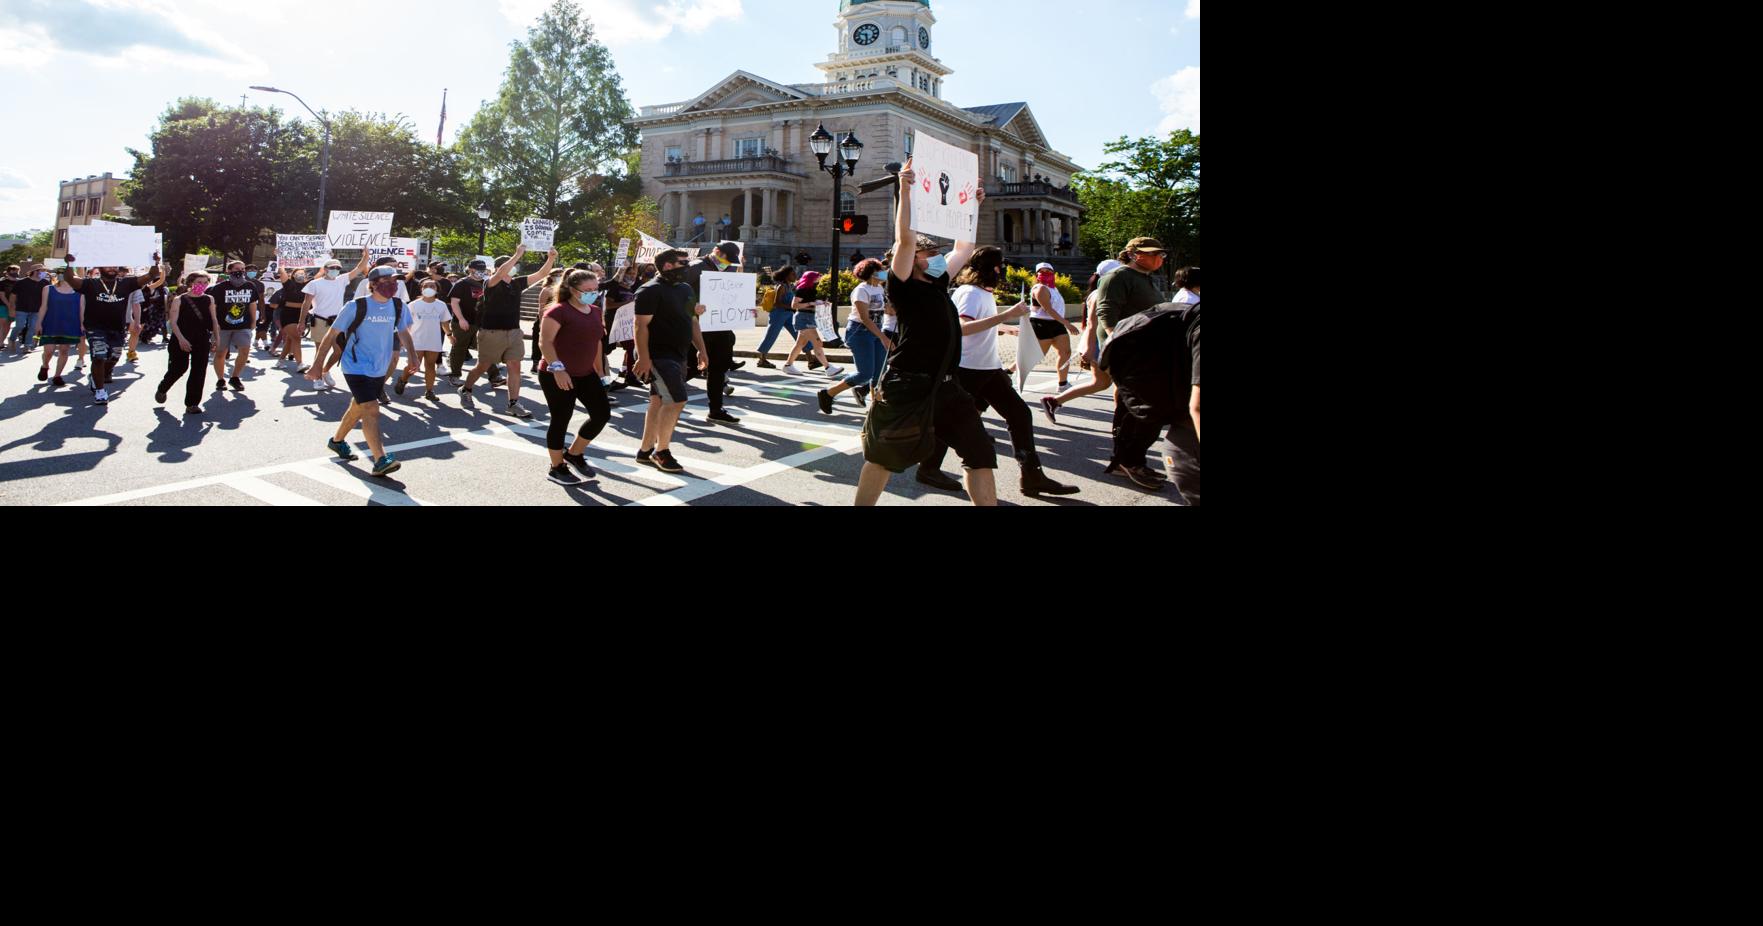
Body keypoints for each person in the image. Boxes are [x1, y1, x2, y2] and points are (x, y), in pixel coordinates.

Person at [854, 157, 1000, 506]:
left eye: (937, 251)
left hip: (947, 387)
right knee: (882, 458)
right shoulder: (902, 285)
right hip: (908, 386)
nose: (938, 256)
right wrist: (905, 188)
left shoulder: (939, 282)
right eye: (930, 252)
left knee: (980, 456)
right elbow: (904, 239)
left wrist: (972, 208)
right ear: (912, 259)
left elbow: (964, 247)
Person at [911, 246, 1079, 496]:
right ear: (993, 268)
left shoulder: (982, 293)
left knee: (1020, 415)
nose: (1003, 271)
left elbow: (978, 326)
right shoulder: (970, 293)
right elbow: (963, 328)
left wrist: (1007, 329)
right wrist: (1006, 317)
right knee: (951, 422)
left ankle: (1032, 476)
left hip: (988, 368)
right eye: (1001, 266)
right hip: (967, 369)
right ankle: (928, 468)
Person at [306, 266, 416, 477]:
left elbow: (403, 331)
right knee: (372, 409)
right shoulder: (356, 306)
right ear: (372, 284)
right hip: (355, 365)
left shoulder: (399, 306)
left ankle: (337, 441)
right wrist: (318, 364)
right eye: (385, 282)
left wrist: (412, 355)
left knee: (359, 406)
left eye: (394, 281)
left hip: (379, 366)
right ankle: (380, 459)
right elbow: (331, 335)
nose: (392, 286)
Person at [1100, 300, 1200, 499]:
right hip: (1142, 364)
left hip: (1166, 362)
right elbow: (1197, 407)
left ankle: (1130, 460)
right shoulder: (1119, 278)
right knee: (1146, 416)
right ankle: (1127, 461)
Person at [458, 245, 556, 420]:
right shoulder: (490, 282)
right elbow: (502, 270)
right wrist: (517, 254)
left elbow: (541, 275)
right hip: (491, 332)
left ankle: (513, 403)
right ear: (498, 268)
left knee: (514, 365)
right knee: (483, 365)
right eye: (510, 265)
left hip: (514, 332)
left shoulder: (517, 283)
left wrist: (551, 258)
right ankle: (466, 388)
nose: (513, 268)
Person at [632, 248, 707, 475]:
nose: (687, 266)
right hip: (658, 356)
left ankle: (646, 450)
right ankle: (661, 451)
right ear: (667, 266)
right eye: (683, 262)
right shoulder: (649, 290)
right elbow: (640, 326)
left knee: (658, 401)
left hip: (678, 354)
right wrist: (644, 358)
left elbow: (692, 320)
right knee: (676, 400)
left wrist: (702, 350)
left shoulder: (685, 289)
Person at [537, 269, 613, 487]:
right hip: (556, 373)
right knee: (561, 419)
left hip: (586, 372)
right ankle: (556, 467)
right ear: (572, 289)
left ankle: (575, 453)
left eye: (595, 289)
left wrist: (600, 371)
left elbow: (597, 342)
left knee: (601, 414)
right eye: (587, 290)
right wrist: (558, 369)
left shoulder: (596, 311)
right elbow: (545, 342)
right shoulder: (557, 311)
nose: (592, 293)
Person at [65, 254, 163, 404]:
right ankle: (100, 391)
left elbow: (152, 275)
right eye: (108, 265)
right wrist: (69, 264)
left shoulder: (127, 283)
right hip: (95, 327)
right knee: (98, 356)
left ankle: (96, 375)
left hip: (117, 328)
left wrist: (155, 261)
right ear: (99, 267)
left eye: (115, 266)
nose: (112, 268)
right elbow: (70, 279)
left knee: (114, 357)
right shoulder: (90, 284)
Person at [1041, 259, 1124, 425]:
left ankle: (1054, 401)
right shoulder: (1099, 294)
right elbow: (1092, 323)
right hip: (1100, 346)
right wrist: (1089, 347)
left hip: (1100, 344)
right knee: (1121, 383)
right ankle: (1121, 420)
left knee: (1100, 383)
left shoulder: (1103, 292)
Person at [678, 240, 745, 425]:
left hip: (720, 326)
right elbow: (675, 290)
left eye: (731, 261)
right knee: (691, 365)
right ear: (716, 251)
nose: (727, 263)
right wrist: (692, 307)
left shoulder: (730, 269)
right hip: (696, 326)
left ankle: (716, 409)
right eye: (726, 259)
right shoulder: (695, 267)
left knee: (719, 367)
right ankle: (663, 396)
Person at [818, 258, 890, 413]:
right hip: (860, 332)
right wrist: (883, 337)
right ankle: (828, 393)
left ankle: (876, 410)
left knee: (880, 373)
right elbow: (865, 318)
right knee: (865, 373)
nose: (883, 273)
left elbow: (882, 312)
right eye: (879, 270)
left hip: (875, 330)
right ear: (871, 273)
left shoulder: (878, 288)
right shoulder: (861, 290)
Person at [300, 251, 371, 390]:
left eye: (337, 268)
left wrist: (366, 256)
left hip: (338, 321)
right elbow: (306, 303)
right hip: (320, 320)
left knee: (339, 351)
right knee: (320, 351)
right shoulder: (314, 284)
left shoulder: (342, 280)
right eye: (332, 268)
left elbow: (359, 268)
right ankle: (318, 378)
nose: (335, 270)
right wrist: (301, 322)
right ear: (325, 270)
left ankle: (325, 370)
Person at [155, 271, 217, 415]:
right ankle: (163, 388)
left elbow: (214, 320)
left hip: (202, 338)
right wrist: (181, 339)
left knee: (199, 371)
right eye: (198, 282)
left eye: (205, 282)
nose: (201, 285)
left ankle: (192, 403)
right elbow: (173, 322)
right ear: (190, 283)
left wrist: (216, 337)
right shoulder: (179, 299)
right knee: (179, 368)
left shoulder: (209, 299)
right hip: (181, 338)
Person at [395, 276, 453, 402]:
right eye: (425, 286)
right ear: (421, 289)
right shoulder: (413, 305)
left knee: (430, 365)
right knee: (413, 366)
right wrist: (403, 340)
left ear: (437, 289)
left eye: (432, 286)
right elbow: (406, 324)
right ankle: (403, 380)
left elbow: (444, 322)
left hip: (433, 340)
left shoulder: (441, 305)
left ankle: (429, 391)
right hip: (416, 340)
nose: (429, 288)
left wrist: (449, 335)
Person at [207, 260, 260, 393]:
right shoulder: (219, 288)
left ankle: (235, 377)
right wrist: (215, 324)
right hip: (222, 326)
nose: (240, 271)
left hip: (243, 325)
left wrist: (253, 321)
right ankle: (220, 379)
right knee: (220, 353)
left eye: (243, 269)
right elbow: (214, 307)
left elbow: (253, 304)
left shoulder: (250, 286)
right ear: (229, 271)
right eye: (237, 268)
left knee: (245, 350)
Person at [1027, 262, 1081, 391]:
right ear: (1037, 274)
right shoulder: (1040, 288)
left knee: (1065, 352)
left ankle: (1062, 383)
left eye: (1049, 271)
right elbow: (1048, 309)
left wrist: (1062, 323)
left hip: (1056, 324)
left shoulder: (1053, 288)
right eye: (1042, 271)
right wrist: (1067, 323)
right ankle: (1009, 372)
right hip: (1042, 324)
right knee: (1035, 356)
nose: (1046, 274)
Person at [780, 271, 843, 378]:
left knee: (800, 344)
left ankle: (788, 365)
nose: (819, 279)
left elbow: (810, 302)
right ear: (811, 278)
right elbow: (794, 305)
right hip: (803, 318)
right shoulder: (802, 290)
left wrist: (820, 303)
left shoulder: (811, 289)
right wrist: (811, 303)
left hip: (809, 318)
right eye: (817, 278)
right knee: (817, 342)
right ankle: (828, 368)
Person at [446, 259, 497, 384]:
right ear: (470, 269)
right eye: (478, 269)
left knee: (485, 349)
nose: (481, 272)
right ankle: (454, 376)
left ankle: (495, 376)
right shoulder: (461, 283)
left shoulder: (487, 283)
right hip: (463, 322)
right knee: (459, 348)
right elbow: (454, 302)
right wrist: (461, 319)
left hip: (481, 322)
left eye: (483, 269)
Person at [35, 267, 84, 389]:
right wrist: (39, 323)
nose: (62, 275)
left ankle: (57, 375)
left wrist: (82, 324)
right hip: (52, 322)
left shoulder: (80, 292)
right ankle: (45, 366)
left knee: (64, 350)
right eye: (60, 273)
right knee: (49, 351)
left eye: (65, 273)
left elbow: (81, 309)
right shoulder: (48, 289)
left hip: (70, 323)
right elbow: (43, 307)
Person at [755, 265, 798, 368]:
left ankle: (811, 359)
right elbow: (777, 303)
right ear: (786, 275)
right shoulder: (781, 286)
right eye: (793, 274)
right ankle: (762, 360)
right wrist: (791, 307)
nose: (795, 275)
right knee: (771, 335)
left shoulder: (789, 286)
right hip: (778, 314)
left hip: (788, 314)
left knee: (799, 335)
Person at [9, 264, 51, 354]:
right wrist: (12, 308)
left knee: (32, 327)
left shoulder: (45, 283)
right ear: (35, 271)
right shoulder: (21, 282)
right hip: (21, 308)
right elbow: (13, 296)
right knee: (19, 326)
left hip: (37, 310)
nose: (45, 273)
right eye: (42, 270)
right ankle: (12, 339)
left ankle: (27, 346)